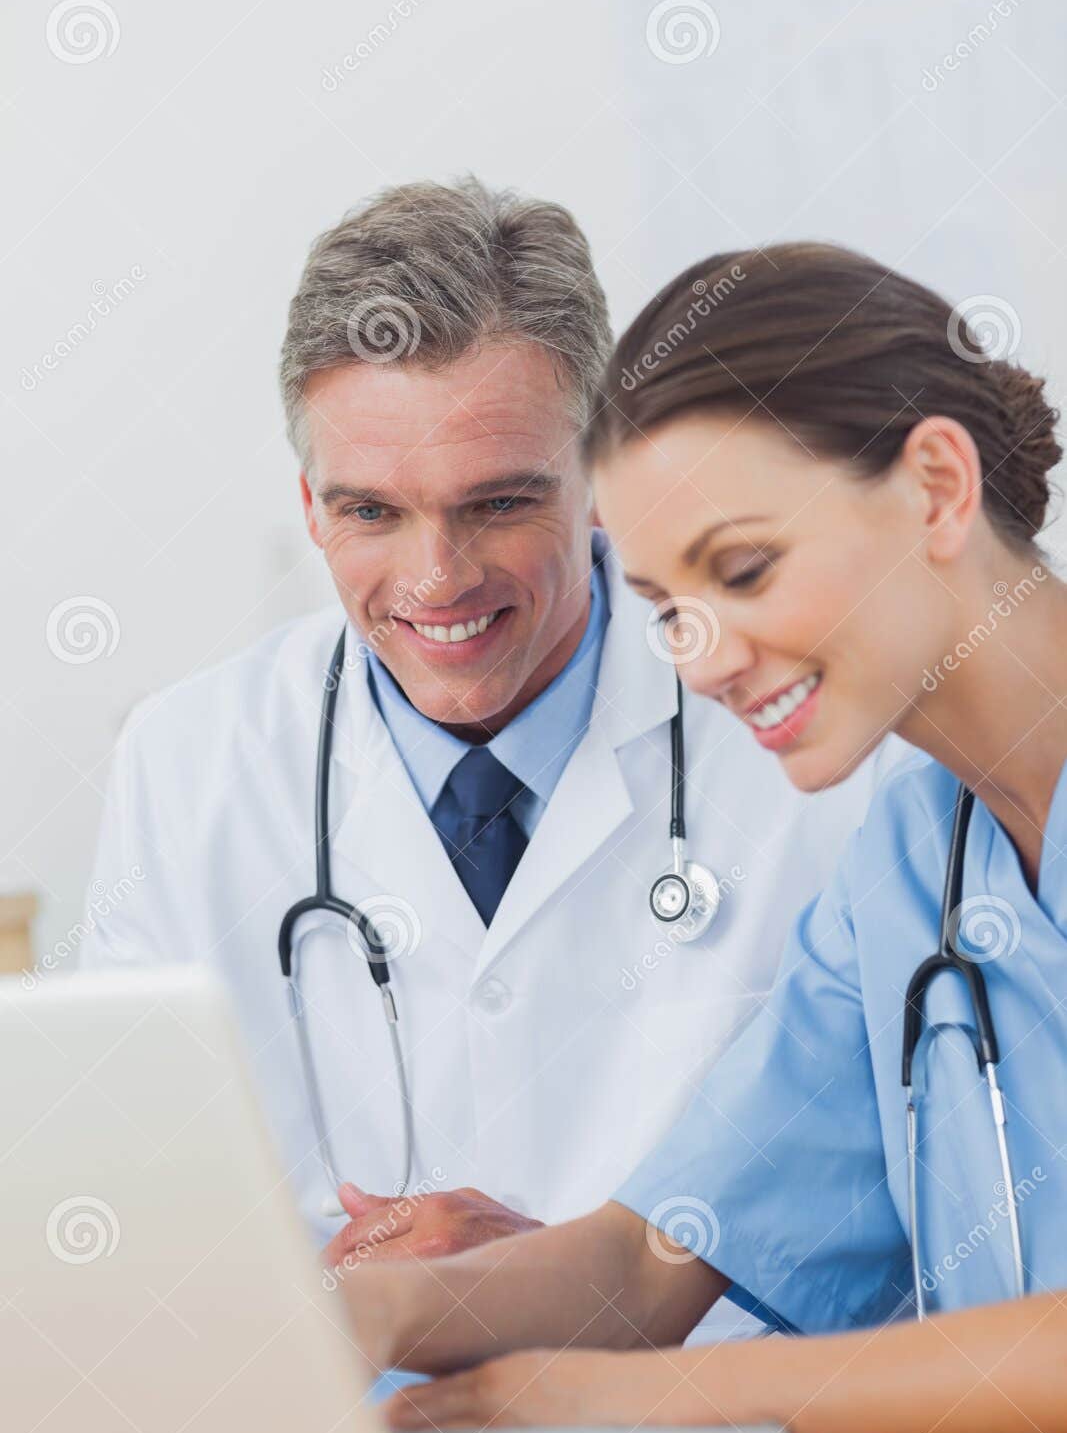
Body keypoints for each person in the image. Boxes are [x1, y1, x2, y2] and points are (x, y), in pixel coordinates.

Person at [79, 187, 883, 1326]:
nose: (437, 577)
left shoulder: (800, 734)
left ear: (601, 476)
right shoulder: (189, 762)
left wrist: (560, 1287)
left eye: (497, 503)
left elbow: (888, 1232)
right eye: (371, 513)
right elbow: (139, 1227)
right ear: (309, 505)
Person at [342, 242, 1067, 1433]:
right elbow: (647, 1257)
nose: (706, 655)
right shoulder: (909, 866)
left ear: (936, 486)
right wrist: (355, 1313)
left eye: (743, 569)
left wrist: (618, 1406)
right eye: (667, 606)